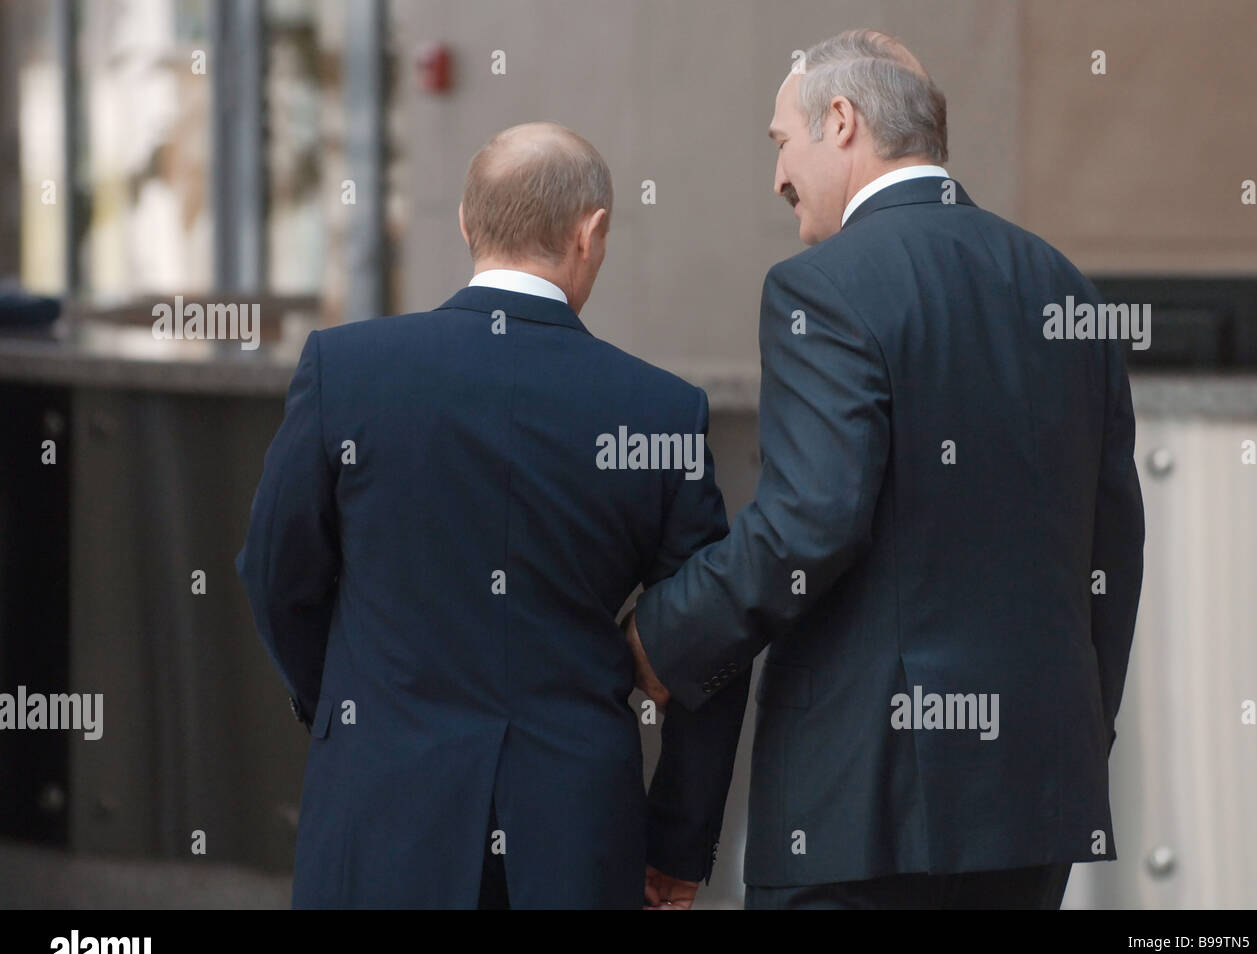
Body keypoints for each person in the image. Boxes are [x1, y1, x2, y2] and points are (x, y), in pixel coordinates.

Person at [626, 29, 1145, 909]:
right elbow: (1114, 551)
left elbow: (808, 524)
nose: (777, 176)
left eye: (780, 142)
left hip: (864, 805)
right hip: (1032, 799)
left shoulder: (822, 287)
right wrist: (1076, 733)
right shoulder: (1068, 289)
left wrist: (660, 637)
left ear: (842, 121)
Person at [237, 122, 750, 908]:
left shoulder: (346, 371)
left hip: (381, 814)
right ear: (594, 233)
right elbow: (712, 636)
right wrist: (679, 842)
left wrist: (349, 705)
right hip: (573, 837)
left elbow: (274, 574)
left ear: (468, 225)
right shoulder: (659, 413)